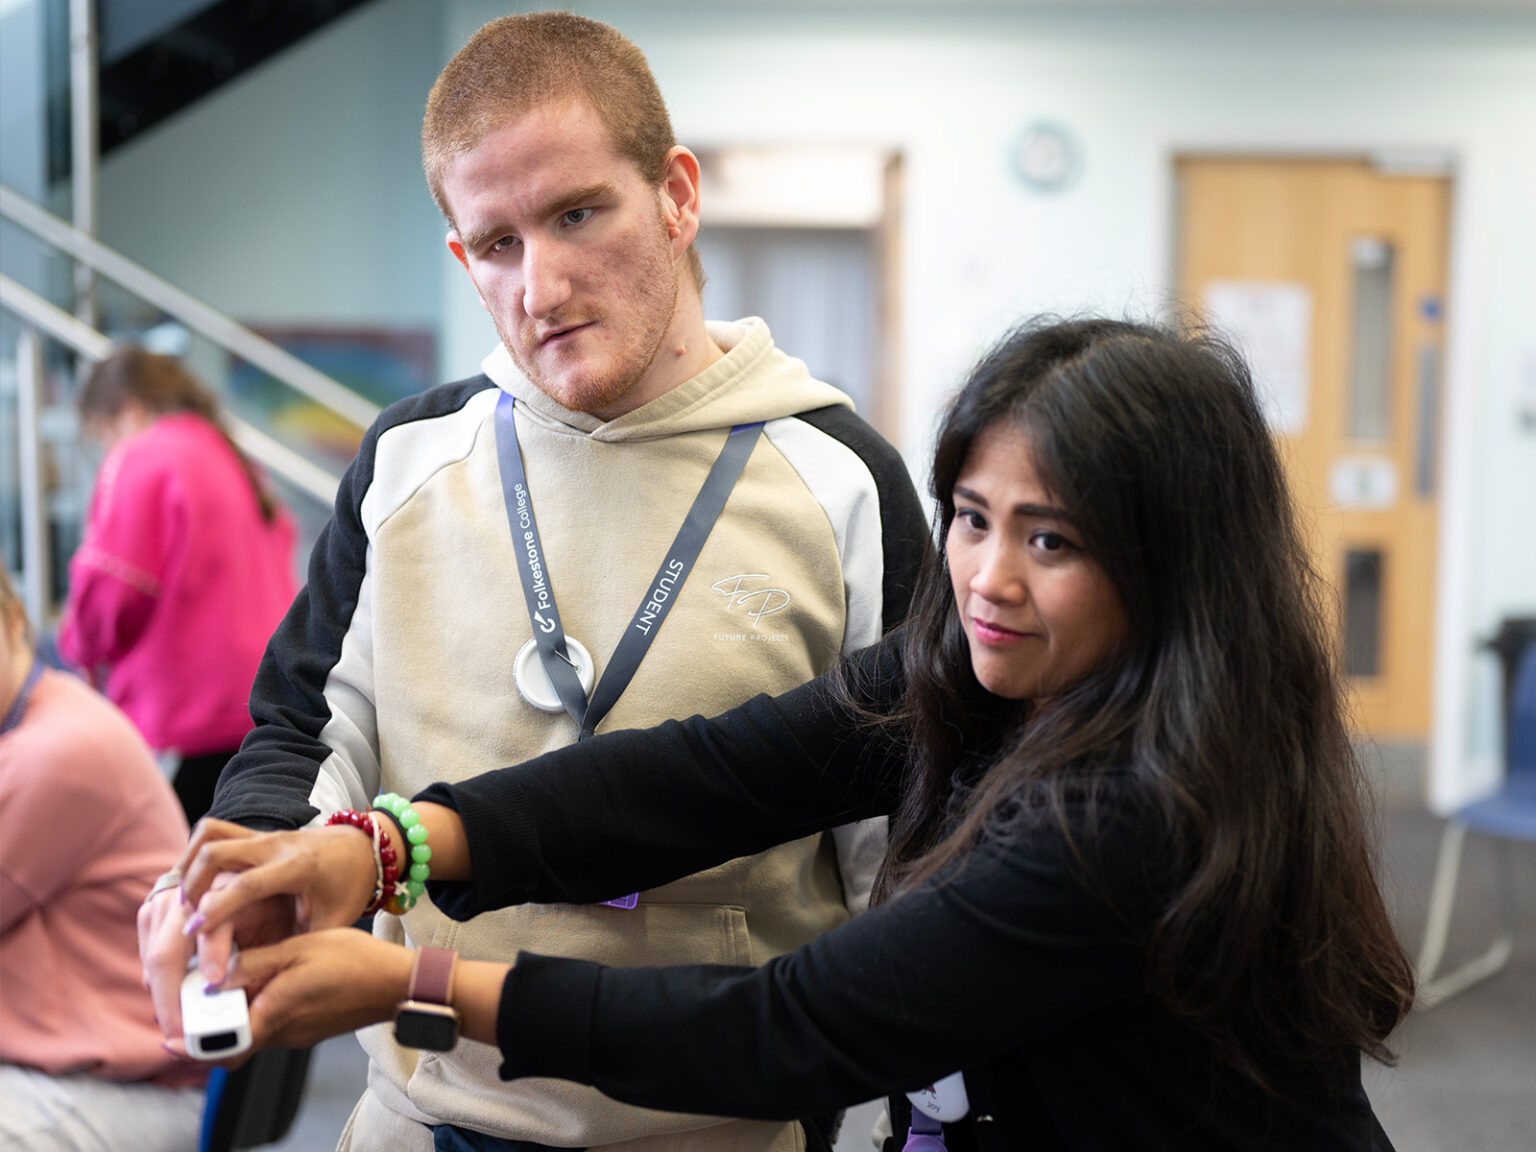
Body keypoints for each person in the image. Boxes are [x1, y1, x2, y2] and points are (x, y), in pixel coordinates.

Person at [177, 318, 1415, 1151]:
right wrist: (391, 846)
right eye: (974, 518)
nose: (987, 577)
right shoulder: (985, 678)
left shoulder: (1129, 812)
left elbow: (791, 1030)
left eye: (1054, 540)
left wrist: (413, 982)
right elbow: (713, 773)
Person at [139, 11, 928, 1152]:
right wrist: (259, 854)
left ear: (677, 195)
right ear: (461, 259)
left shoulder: (844, 483)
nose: (543, 284)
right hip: (423, 1111)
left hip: (718, 1130)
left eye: (577, 214)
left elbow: (893, 865)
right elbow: (309, 724)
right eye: (497, 244)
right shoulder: (408, 458)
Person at [0, 567, 208, 1151]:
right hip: (85, 1061)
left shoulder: (54, 752)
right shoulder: (46, 711)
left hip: (133, 1085)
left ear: (16, 619)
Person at [57, 346, 298, 823]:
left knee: (174, 882)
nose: (107, 448)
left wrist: (74, 650)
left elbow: (111, 586)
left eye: (103, 434)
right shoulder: (234, 458)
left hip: (185, 713)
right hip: (261, 703)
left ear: (130, 411)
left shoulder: (143, 454)